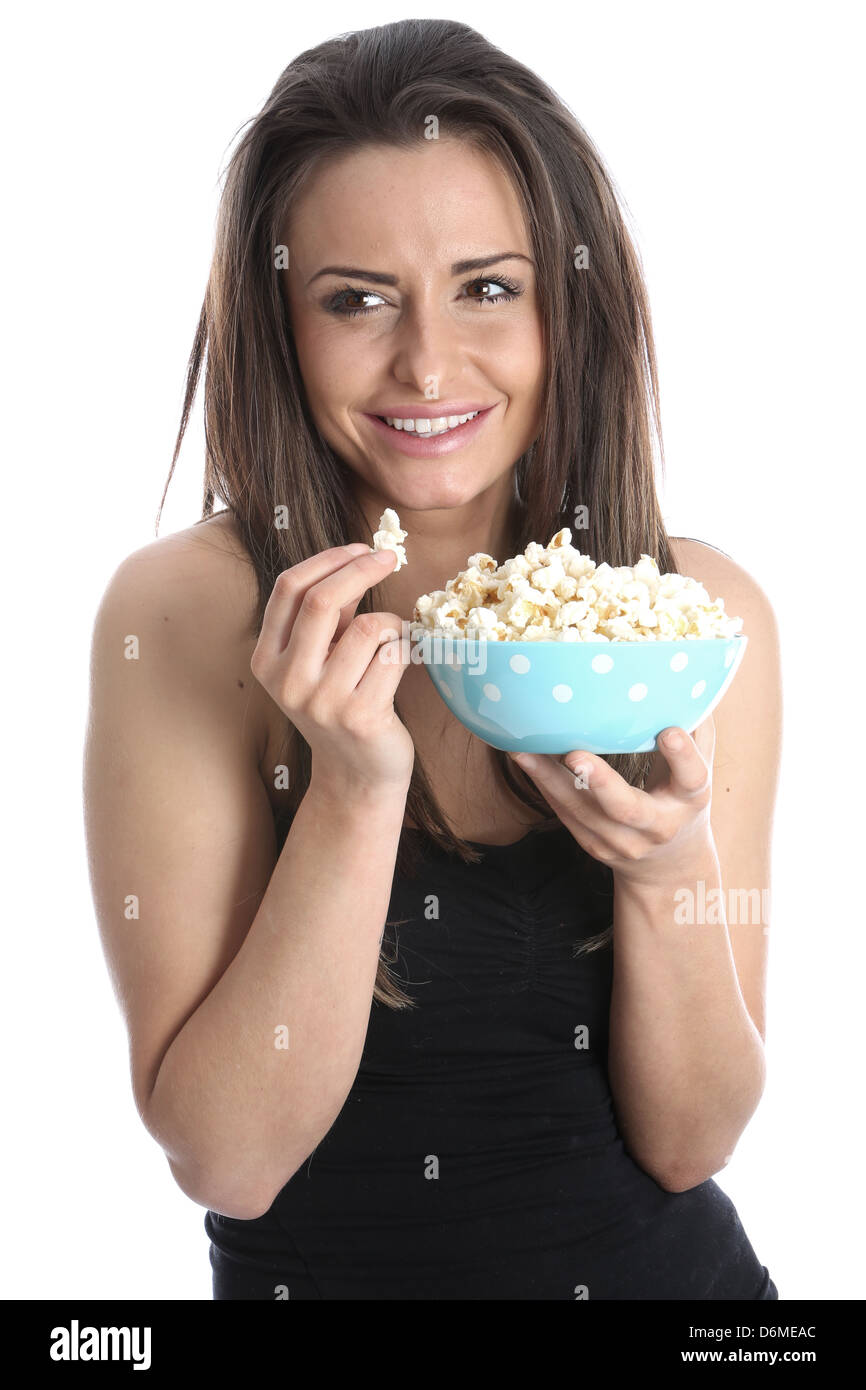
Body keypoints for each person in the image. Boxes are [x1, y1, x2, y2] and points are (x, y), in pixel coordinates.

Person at [83, 18, 782, 1299]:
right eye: (355, 299)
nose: (424, 362)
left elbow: (696, 1142)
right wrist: (351, 790)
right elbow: (228, 1159)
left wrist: (668, 863)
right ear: (279, 324)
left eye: (486, 287)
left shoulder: (687, 613)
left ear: (569, 303)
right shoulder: (184, 615)